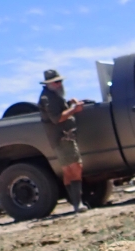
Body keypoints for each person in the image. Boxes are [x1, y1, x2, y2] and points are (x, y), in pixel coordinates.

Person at [38, 69, 87, 213]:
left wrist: (68, 104)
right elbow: (56, 118)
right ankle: (78, 203)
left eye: (60, 81)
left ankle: (75, 202)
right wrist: (74, 110)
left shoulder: (52, 96)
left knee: (68, 169)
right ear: (49, 84)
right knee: (75, 167)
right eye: (56, 82)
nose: (59, 84)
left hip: (62, 137)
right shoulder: (47, 98)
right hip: (63, 138)